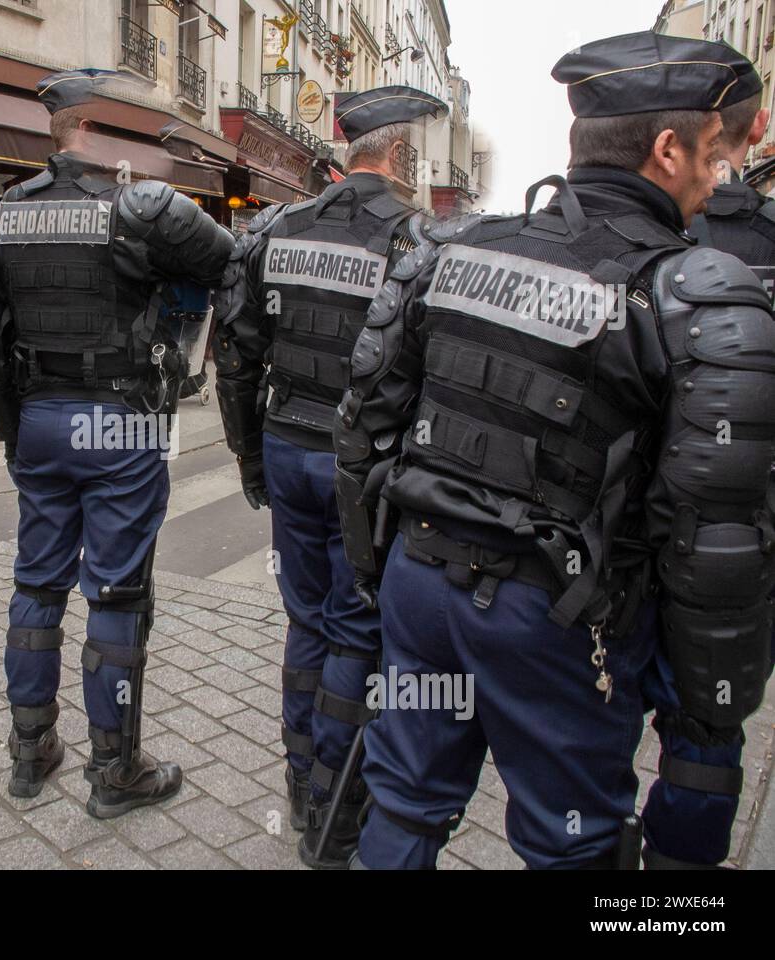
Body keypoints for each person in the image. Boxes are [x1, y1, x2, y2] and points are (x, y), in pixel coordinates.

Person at [332, 32, 775, 869]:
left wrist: (374, 573)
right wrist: (705, 719)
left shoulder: (450, 250)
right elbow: (719, 545)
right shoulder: (692, 295)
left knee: (402, 805)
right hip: (560, 626)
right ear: (668, 148)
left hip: (419, 590)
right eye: (713, 155)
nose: (718, 179)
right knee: (566, 844)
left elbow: (362, 425)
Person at [0, 70, 233, 817]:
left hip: (43, 418)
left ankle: (29, 751)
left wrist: (16, 434)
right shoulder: (143, 205)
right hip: (120, 423)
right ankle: (115, 772)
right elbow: (230, 267)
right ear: (101, 130)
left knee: (37, 584)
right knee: (116, 594)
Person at [214, 86, 445, 868]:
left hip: (286, 442)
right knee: (354, 628)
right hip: (364, 467)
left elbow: (235, 357)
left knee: (306, 620)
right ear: (400, 156)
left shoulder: (275, 228)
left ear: (345, 150)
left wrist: (250, 457)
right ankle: (333, 812)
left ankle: (300, 776)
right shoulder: (418, 240)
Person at [640, 70, 775, 869]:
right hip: (735, 535)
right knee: (707, 729)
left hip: (624, 526)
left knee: (603, 712)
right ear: (750, 135)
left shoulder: (639, 238)